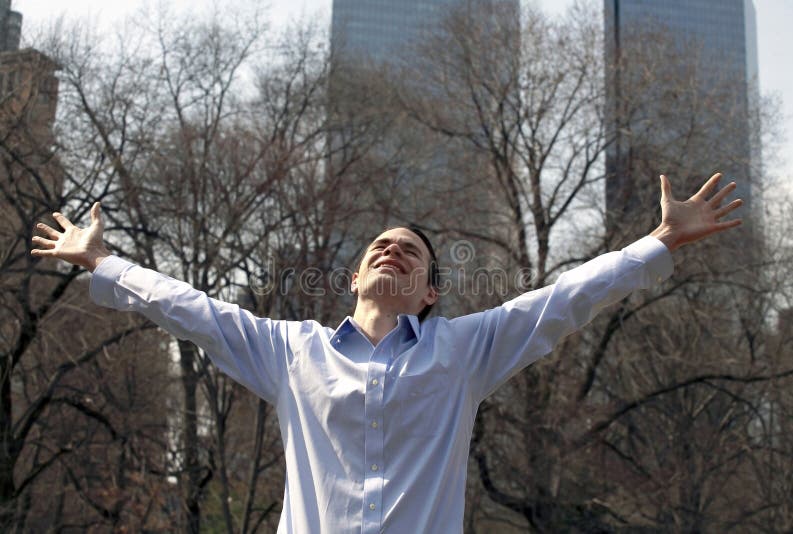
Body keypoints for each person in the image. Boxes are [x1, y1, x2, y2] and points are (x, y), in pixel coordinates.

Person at [31, 173, 742, 533]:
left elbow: (562, 301)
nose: (391, 248)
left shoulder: (465, 351)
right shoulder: (290, 350)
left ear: (429, 292)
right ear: (353, 278)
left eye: (410, 251)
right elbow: (190, 309)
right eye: (380, 244)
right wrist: (102, 263)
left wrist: (658, 244)